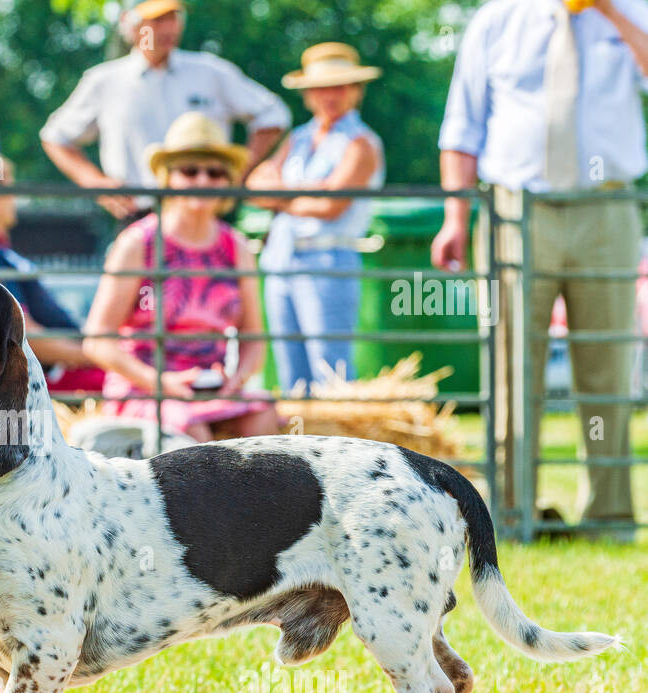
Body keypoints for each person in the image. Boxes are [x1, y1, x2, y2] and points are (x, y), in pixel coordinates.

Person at [432, 0, 648, 538]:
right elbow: (462, 126)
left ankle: (610, 515)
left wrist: (609, 11)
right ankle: (510, 513)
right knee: (511, 365)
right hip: (514, 209)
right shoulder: (496, 19)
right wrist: (454, 216)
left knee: (608, 364)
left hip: (607, 204)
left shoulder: (634, 11)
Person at [83, 113, 279, 443]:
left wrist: (237, 379)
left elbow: (254, 336)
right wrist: (160, 382)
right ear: (169, 178)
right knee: (189, 430)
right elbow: (97, 340)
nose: (202, 180)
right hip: (143, 388)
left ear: (227, 180)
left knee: (263, 414)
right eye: (190, 170)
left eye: (215, 172)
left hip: (209, 390)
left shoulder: (237, 247)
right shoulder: (138, 243)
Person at [40, 0, 288, 221]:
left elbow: (274, 115)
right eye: (157, 20)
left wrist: (237, 171)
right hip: (137, 214)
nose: (169, 28)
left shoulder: (211, 72)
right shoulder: (105, 81)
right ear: (130, 25)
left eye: (173, 18)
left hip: (206, 215)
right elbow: (55, 136)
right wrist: (95, 183)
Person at [246, 42, 385, 393]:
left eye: (339, 86)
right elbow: (255, 185)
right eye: (321, 87)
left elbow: (331, 206)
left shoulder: (362, 143)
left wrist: (282, 197)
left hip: (328, 259)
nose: (329, 95)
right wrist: (311, 191)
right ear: (308, 94)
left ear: (356, 91)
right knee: (291, 370)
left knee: (331, 369)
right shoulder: (299, 137)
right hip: (282, 259)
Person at [0, 152, 105, 395]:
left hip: (53, 372)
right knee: (127, 381)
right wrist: (94, 356)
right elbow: (21, 334)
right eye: (8, 190)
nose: (14, 199)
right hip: (50, 379)